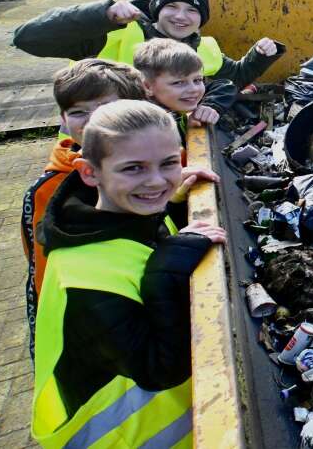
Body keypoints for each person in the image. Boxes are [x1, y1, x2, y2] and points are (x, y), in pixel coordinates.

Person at [30, 99, 225, 449]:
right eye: (133, 168)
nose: (156, 181)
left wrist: (177, 205)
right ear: (90, 172)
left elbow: (146, 248)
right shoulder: (83, 279)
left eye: (168, 163)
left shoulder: (124, 215)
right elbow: (158, 368)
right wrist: (168, 271)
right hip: (120, 438)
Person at [21, 60, 148, 358]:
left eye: (105, 109)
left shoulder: (157, 170)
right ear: (63, 119)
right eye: (79, 112)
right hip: (98, 334)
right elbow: (42, 274)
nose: (92, 120)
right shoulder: (49, 191)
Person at [13, 0, 282, 93]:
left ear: (202, 18)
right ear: (156, 9)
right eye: (172, 7)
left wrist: (259, 55)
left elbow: (236, 77)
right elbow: (28, 38)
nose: (181, 16)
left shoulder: (204, 48)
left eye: (191, 10)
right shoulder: (113, 34)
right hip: (93, 153)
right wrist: (100, 15)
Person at [133, 38, 222, 132]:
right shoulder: (146, 126)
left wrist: (190, 122)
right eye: (178, 83)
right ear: (147, 87)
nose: (193, 89)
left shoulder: (169, 107)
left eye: (198, 80)